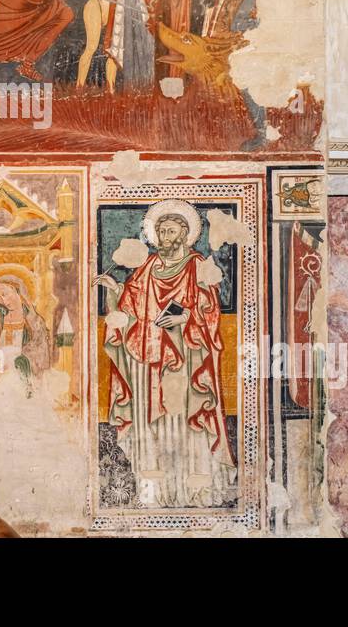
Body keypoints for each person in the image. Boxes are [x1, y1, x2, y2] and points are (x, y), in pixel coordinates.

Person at [95, 199, 235, 507]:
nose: (163, 237)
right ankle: (154, 493)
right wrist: (112, 290)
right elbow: (127, 311)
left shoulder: (197, 265)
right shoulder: (146, 268)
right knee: (151, 425)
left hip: (185, 359)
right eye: (160, 231)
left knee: (187, 422)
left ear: (185, 233)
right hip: (147, 360)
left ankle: (195, 490)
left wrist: (184, 318)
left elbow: (209, 310)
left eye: (170, 230)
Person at [0, 274, 53, 390]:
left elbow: (41, 354)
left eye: (4, 294)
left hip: (22, 377)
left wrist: (20, 362)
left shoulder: (35, 322)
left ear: (16, 289)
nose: (3, 301)